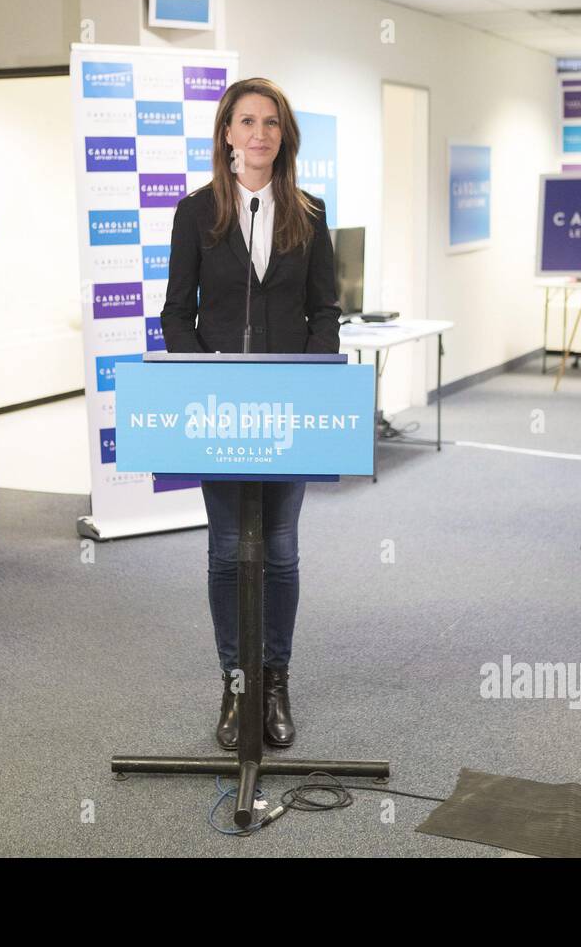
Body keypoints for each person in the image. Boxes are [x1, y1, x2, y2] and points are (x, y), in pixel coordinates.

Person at [160, 77, 341, 751]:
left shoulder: (310, 213)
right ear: (227, 134)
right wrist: (204, 376)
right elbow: (177, 312)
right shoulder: (196, 213)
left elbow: (326, 311)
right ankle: (237, 685)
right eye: (246, 122)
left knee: (282, 551)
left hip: (290, 408)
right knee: (230, 550)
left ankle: (275, 680)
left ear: (283, 136)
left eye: (271, 123)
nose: (259, 133)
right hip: (219, 409)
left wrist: (315, 378)